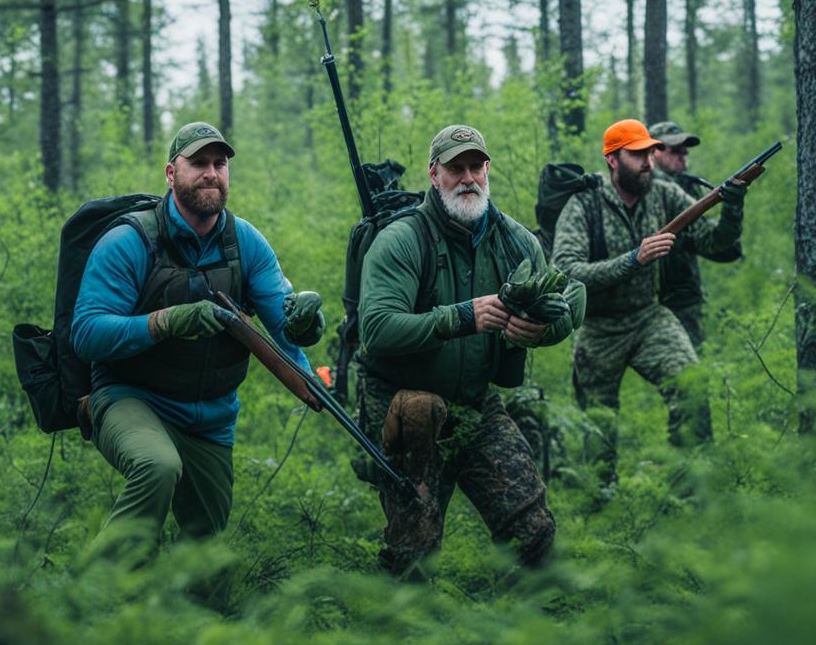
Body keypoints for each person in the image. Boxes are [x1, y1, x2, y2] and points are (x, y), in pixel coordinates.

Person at [71, 121, 325, 557]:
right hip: (131, 398)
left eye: (220, 164)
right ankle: (96, 596)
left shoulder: (245, 242)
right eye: (199, 163)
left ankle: (180, 621)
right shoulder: (129, 241)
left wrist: (305, 325)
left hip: (211, 418)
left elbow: (284, 328)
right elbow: (87, 334)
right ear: (172, 174)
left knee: (205, 554)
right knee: (157, 466)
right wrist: (165, 321)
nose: (211, 173)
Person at [357, 124, 586, 577]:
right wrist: (461, 317)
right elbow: (377, 330)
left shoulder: (515, 240)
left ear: (487, 170)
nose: (467, 178)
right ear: (433, 173)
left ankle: (526, 635)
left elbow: (569, 295)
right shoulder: (402, 240)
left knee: (535, 534)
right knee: (412, 560)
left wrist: (539, 327)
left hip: (476, 404)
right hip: (406, 404)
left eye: (475, 167)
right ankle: (399, 634)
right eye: (454, 168)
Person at [551, 119, 746, 495]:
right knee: (599, 429)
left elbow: (715, 242)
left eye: (648, 152)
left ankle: (690, 494)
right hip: (599, 329)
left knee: (690, 386)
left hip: (648, 317)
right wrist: (632, 260)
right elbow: (566, 271)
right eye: (636, 154)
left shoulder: (664, 193)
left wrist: (734, 206)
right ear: (612, 159)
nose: (647, 161)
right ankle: (600, 509)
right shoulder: (584, 204)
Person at [647, 121, 743, 348]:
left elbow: (713, 241)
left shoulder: (689, 187)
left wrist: (733, 206)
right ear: (653, 152)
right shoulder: (638, 186)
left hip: (684, 298)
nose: (683, 155)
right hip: (642, 299)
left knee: (690, 375)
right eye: (674, 150)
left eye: (684, 150)